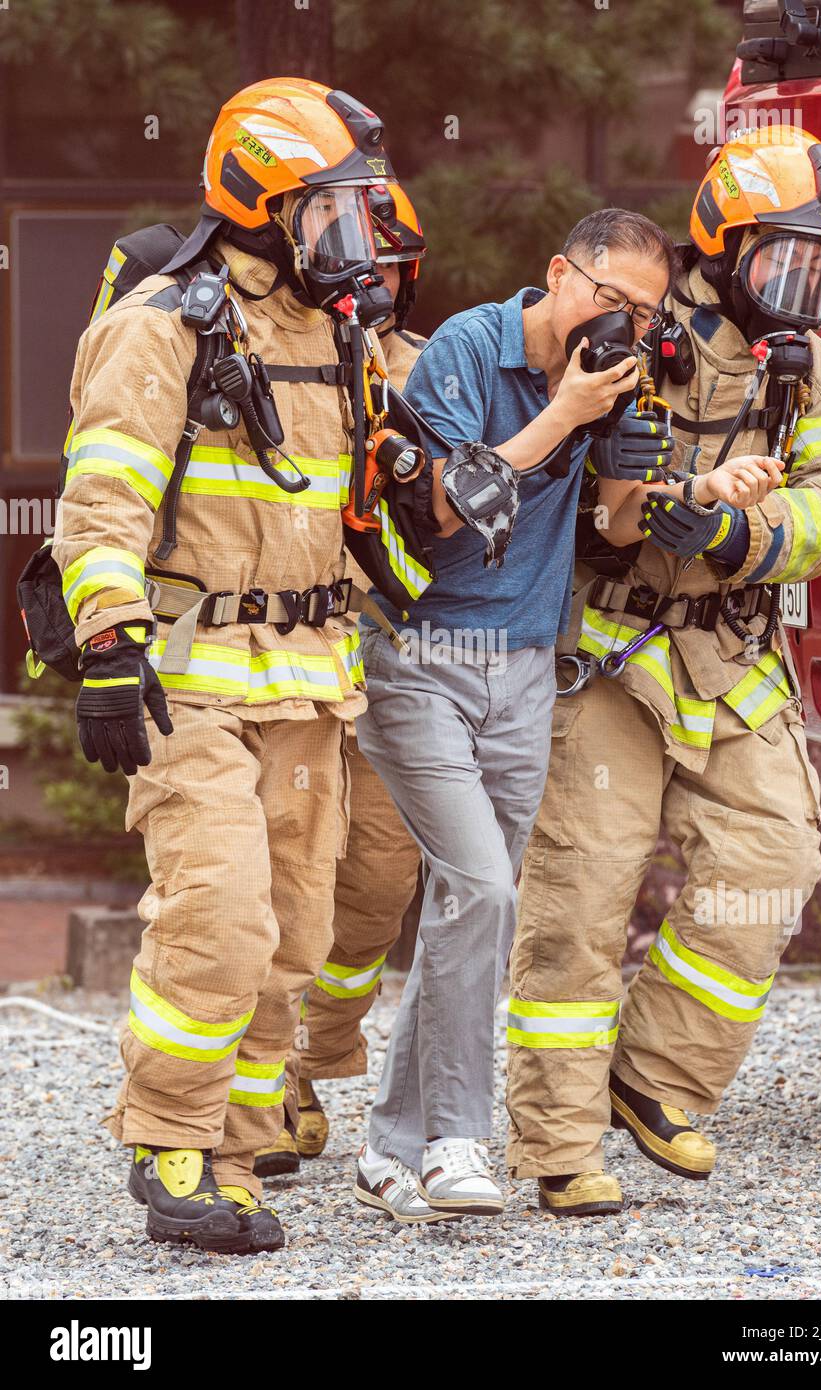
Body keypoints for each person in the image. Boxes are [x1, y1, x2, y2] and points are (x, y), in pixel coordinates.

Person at [52, 77, 401, 1254]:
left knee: (294, 936)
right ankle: (167, 1139)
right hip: (185, 679)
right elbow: (100, 501)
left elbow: (359, 508)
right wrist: (105, 644)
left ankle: (236, 1151)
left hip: (307, 679)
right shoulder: (164, 323)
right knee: (220, 915)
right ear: (261, 202)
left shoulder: (339, 337)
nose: (355, 242)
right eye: (332, 213)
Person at [506, 126, 821, 1216]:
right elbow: (545, 460)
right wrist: (632, 504)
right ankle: (560, 1143)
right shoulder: (629, 331)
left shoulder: (810, 371)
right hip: (613, 654)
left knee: (771, 867)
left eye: (818, 263)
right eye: (783, 257)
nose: (799, 285)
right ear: (722, 243)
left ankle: (651, 1078)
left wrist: (746, 537)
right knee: (582, 894)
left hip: (729, 651)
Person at [350, 208, 679, 1221]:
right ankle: (456, 1137)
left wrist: (695, 481)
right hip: (423, 658)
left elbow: (621, 521)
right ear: (557, 275)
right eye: (607, 297)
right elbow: (446, 508)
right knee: (485, 888)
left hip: (526, 671)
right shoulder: (465, 348)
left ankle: (386, 1145)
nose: (619, 321)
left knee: (466, 902)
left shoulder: (611, 375)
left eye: (643, 312)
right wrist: (565, 413)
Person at [253, 183, 427, 1185]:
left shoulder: (421, 370)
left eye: (394, 265)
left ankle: (317, 1059)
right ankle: (268, 1076)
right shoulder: (289, 356)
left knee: (375, 885)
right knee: (289, 881)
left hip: (398, 674)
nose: (375, 279)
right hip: (297, 672)